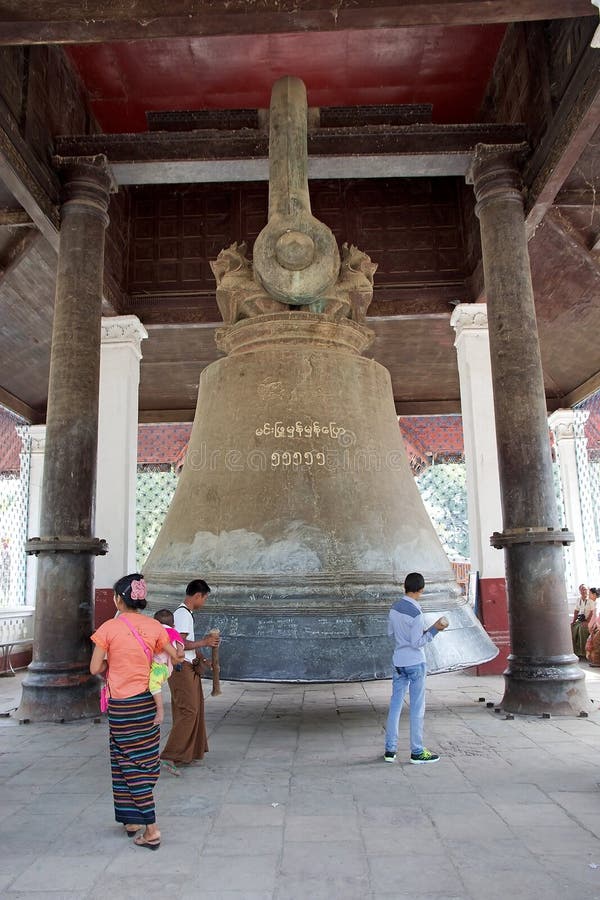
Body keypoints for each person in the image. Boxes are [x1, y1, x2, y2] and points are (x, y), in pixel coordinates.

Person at [90, 573, 181, 850]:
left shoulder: (109, 629)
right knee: (138, 760)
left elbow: (95, 668)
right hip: (145, 703)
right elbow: (175, 657)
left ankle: (151, 829)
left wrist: (112, 667)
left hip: (122, 706)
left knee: (126, 763)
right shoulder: (155, 626)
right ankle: (131, 819)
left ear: (118, 600)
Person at [384, 572, 449, 765]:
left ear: (405, 587)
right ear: (421, 589)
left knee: (395, 706)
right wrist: (435, 630)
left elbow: (390, 632)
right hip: (415, 662)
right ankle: (417, 751)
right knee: (417, 709)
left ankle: (390, 750)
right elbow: (417, 642)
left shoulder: (394, 608)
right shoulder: (417, 612)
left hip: (398, 662)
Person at [160, 579, 220, 775]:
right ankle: (170, 756)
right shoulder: (183, 614)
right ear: (197, 596)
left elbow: (186, 642)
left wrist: (201, 657)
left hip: (188, 666)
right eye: (205, 598)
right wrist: (205, 642)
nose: (204, 602)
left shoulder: (185, 614)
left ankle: (187, 753)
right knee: (189, 711)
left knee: (190, 709)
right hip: (181, 669)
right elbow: (181, 644)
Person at [150, 609, 185, 725]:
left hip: (161, 666)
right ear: (173, 625)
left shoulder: (157, 630)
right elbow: (180, 642)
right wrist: (180, 651)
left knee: (153, 684)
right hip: (158, 665)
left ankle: (160, 710)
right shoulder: (174, 631)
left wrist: (179, 653)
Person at [571, 583, 594, 659]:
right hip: (581, 620)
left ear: (588, 590)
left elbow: (592, 612)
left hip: (590, 620)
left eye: (585, 589)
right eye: (581, 589)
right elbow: (576, 611)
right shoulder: (579, 600)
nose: (583, 591)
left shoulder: (591, 599)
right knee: (572, 628)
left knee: (582, 629)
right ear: (579, 591)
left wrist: (587, 621)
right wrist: (573, 621)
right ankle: (575, 651)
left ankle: (583, 653)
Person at [585, 588, 600, 666]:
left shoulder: (597, 603)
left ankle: (597, 662)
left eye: (590, 593)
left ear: (594, 595)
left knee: (596, 640)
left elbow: (596, 615)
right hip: (597, 624)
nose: (588, 595)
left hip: (598, 625)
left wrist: (592, 625)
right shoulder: (595, 602)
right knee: (593, 639)